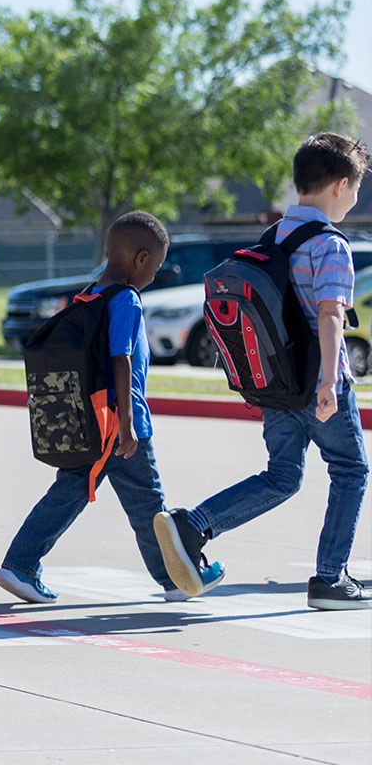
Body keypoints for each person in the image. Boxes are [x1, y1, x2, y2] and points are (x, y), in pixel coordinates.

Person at [154, 133, 369, 611]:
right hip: (318, 382)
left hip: (275, 384)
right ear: (339, 185)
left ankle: (194, 524)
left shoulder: (273, 239)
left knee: (282, 475)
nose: (355, 199)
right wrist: (331, 381)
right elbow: (331, 315)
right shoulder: (331, 245)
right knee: (351, 469)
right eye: (355, 189)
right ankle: (331, 579)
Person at [0, 212, 202, 603]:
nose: (154, 276)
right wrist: (125, 421)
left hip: (89, 416)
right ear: (140, 260)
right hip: (120, 423)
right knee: (148, 505)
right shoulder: (125, 299)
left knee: (87, 493)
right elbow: (120, 358)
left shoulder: (89, 295)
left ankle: (20, 564)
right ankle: (173, 580)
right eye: (154, 268)